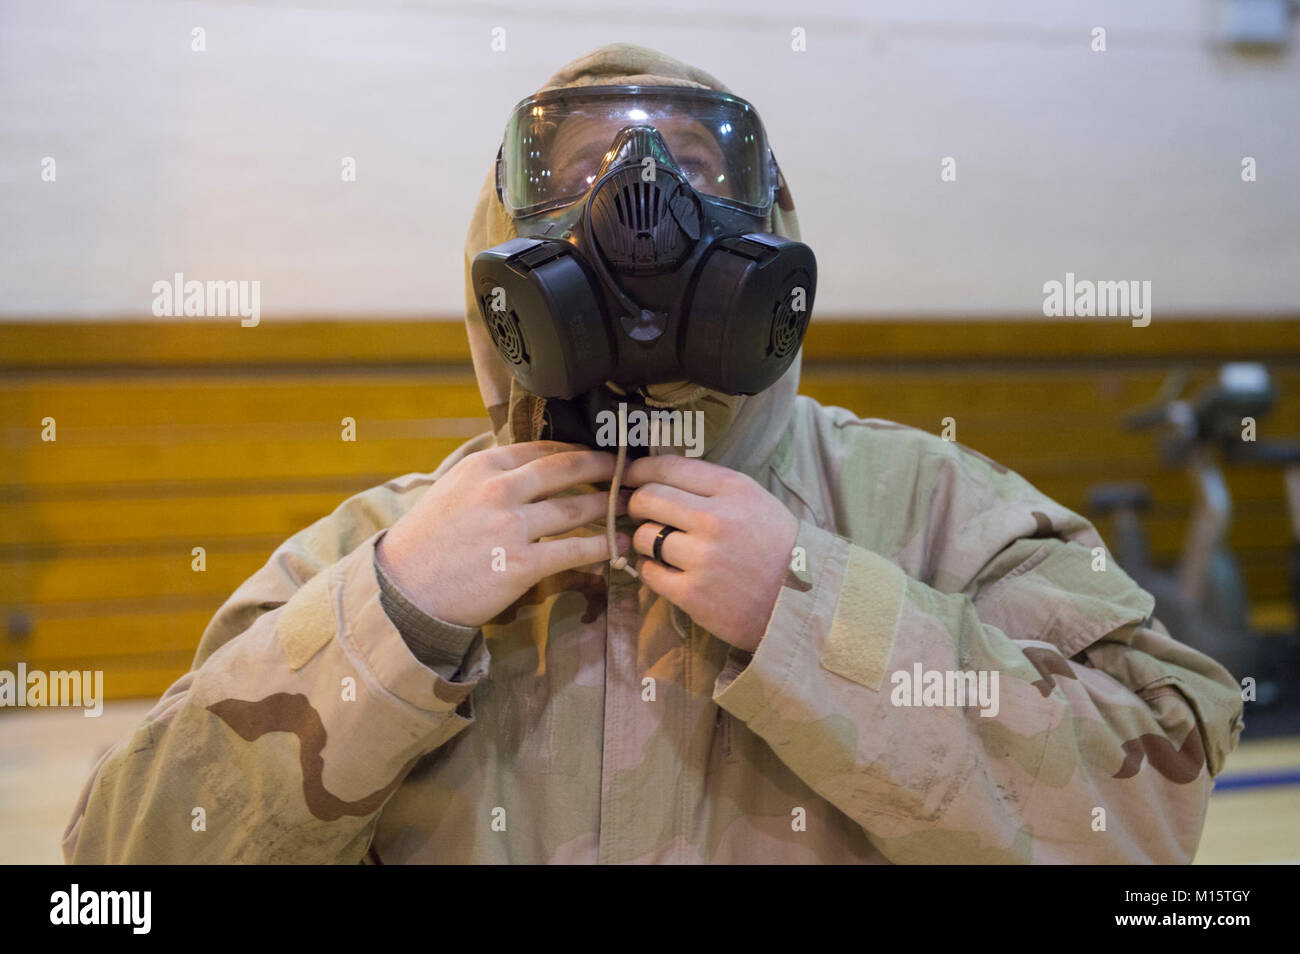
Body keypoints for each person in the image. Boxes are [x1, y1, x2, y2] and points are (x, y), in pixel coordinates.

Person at [63, 43, 1243, 865]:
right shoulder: (382, 549)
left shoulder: (934, 512)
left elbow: (1151, 825)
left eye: (691, 166)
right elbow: (123, 870)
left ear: (768, 226)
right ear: (501, 241)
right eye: (577, 178)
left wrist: (811, 613)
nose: (639, 205)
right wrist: (395, 616)